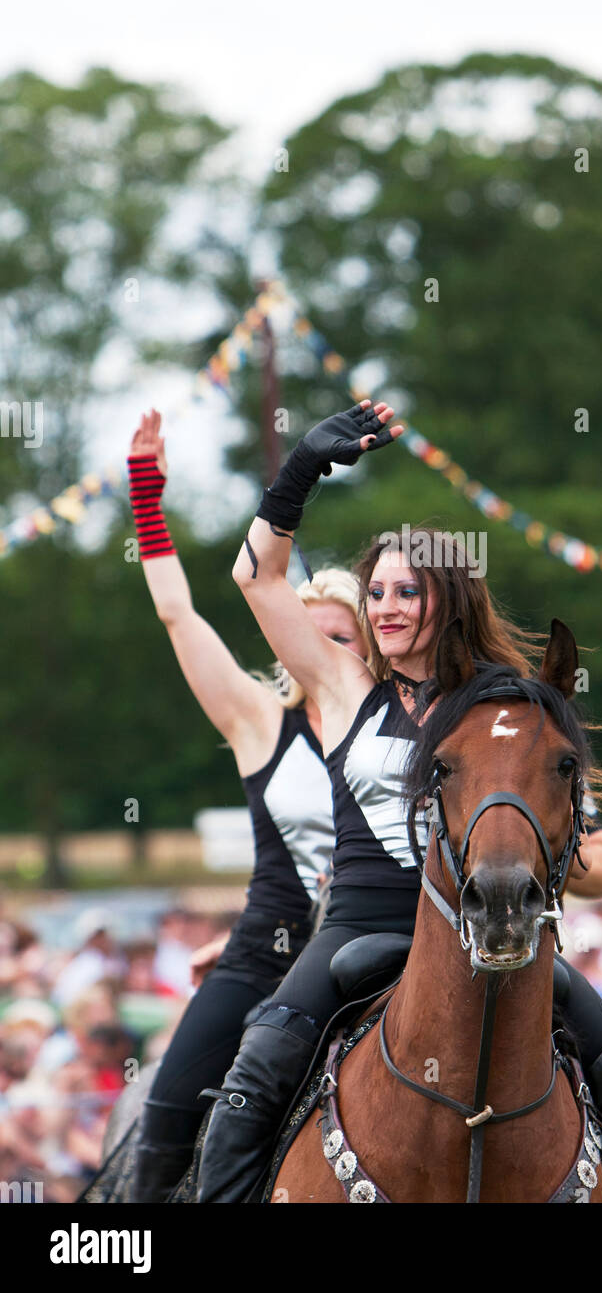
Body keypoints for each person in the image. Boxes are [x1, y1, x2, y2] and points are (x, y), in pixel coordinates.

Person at [196, 399, 602, 1203]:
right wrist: (300, 472)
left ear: (447, 601)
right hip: (359, 926)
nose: (384, 608)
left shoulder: (506, 715)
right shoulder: (347, 685)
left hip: (499, 929)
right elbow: (257, 577)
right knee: (253, 1076)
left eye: (406, 593)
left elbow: (579, 846)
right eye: (377, 592)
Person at [120, 410, 371, 1202]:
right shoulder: (258, 719)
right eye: (312, 634)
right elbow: (176, 615)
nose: (326, 650)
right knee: (164, 1113)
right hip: (266, 954)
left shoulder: (400, 730)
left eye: (344, 637)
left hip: (373, 956)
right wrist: (146, 497)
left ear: (370, 645)